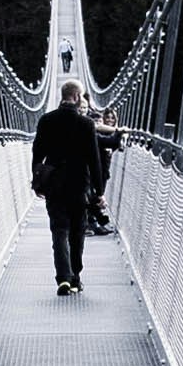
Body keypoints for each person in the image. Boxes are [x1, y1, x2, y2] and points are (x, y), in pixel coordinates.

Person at [31, 76, 108, 295]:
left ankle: (63, 278)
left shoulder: (46, 120)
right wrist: (99, 192)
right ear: (75, 97)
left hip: (54, 184)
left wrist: (37, 182)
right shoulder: (86, 124)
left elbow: (37, 154)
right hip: (78, 185)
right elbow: (94, 160)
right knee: (77, 232)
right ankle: (75, 277)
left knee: (59, 230)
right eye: (81, 96)